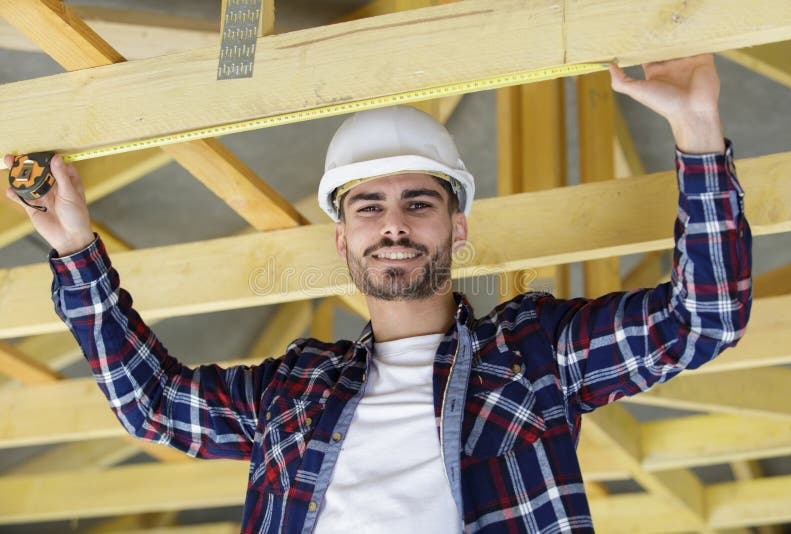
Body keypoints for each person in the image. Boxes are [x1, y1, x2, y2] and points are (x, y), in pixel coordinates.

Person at [5, 54, 751, 533]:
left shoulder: (534, 355)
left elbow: (704, 318)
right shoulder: (292, 391)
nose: (393, 224)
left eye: (419, 203)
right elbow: (154, 406)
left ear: (457, 230)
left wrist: (695, 126)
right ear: (342, 239)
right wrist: (74, 246)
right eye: (368, 207)